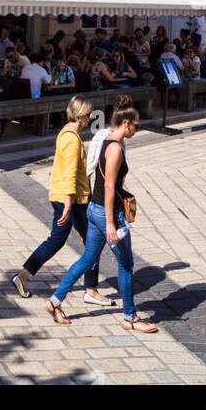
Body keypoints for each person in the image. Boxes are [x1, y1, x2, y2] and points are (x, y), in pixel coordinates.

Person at [46, 98, 158, 332]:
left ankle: (55, 300)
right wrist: (110, 222)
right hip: (109, 213)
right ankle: (130, 317)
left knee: (87, 259)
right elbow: (108, 186)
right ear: (126, 123)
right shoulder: (116, 148)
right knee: (126, 265)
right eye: (136, 126)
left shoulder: (105, 140)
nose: (137, 130)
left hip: (93, 209)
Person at [11, 95, 115, 307]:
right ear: (82, 115)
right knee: (93, 240)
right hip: (72, 199)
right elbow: (68, 173)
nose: (89, 119)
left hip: (64, 196)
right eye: (88, 115)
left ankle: (23, 276)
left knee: (56, 240)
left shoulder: (66, 133)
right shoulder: (71, 139)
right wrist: (68, 203)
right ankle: (91, 289)